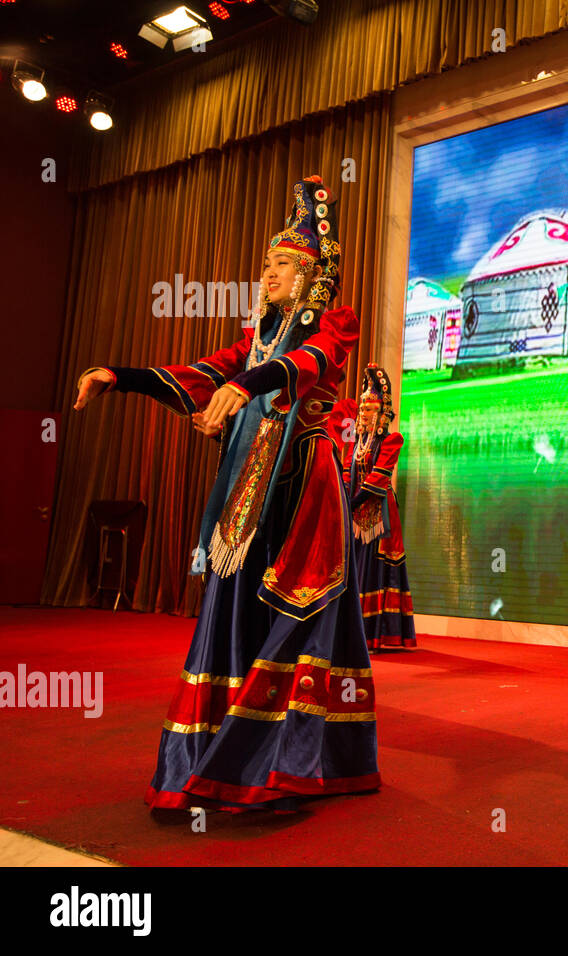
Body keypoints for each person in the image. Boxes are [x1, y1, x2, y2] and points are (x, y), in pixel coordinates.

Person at [74, 176, 380, 809]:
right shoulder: (255, 339)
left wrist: (249, 384)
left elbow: (311, 363)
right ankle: (224, 748)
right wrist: (120, 376)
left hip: (302, 489)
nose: (268, 274)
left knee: (294, 611)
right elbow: (201, 374)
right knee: (235, 594)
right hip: (249, 487)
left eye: (283, 265)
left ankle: (288, 762)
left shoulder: (335, 325)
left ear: (310, 277)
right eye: (265, 264)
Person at [332, 364, 417, 651]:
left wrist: (351, 503)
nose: (364, 414)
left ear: (382, 413)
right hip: (355, 512)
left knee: (373, 568)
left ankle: (377, 634)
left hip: (378, 511)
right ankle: (354, 632)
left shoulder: (391, 440)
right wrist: (342, 496)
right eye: (363, 409)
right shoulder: (356, 443)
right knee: (355, 566)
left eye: (370, 409)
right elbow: (346, 472)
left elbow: (379, 477)